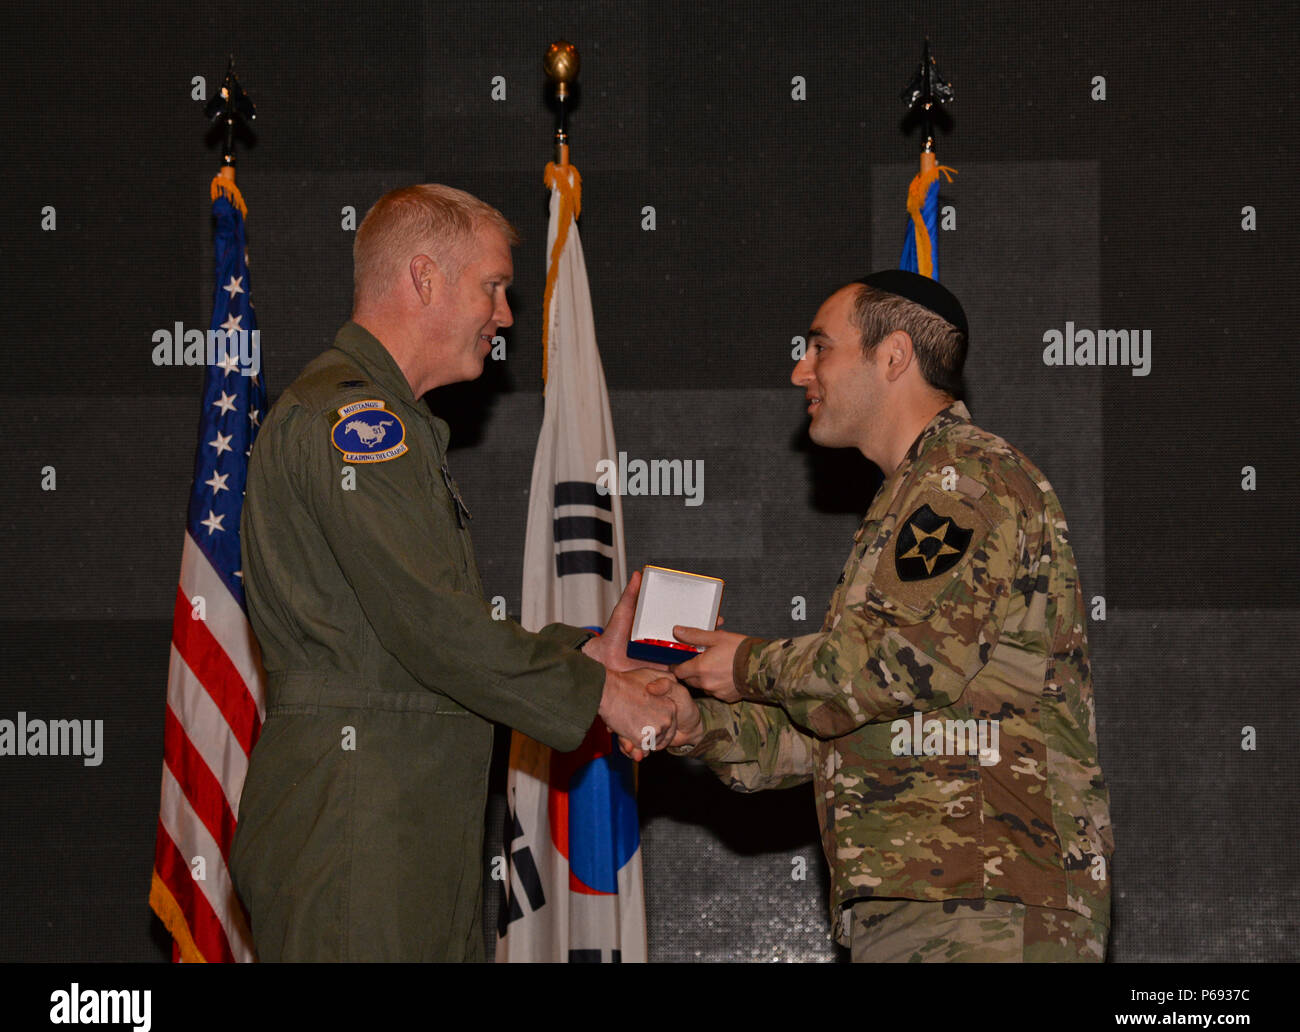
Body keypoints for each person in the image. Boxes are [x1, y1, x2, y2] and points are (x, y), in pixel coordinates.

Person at [230, 184, 682, 962]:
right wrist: (603, 694)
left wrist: (580, 657)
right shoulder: (357, 426)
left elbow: (407, 641)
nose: (506, 315)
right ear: (424, 277)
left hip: (395, 827)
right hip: (357, 832)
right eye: (495, 286)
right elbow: (436, 630)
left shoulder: (378, 420)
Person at [660, 270, 1114, 962]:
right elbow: (840, 731)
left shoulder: (964, 479)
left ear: (893, 356)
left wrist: (747, 663)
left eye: (819, 347)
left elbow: (899, 663)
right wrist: (699, 725)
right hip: (934, 904)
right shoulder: (913, 494)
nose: (799, 370)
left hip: (983, 904)